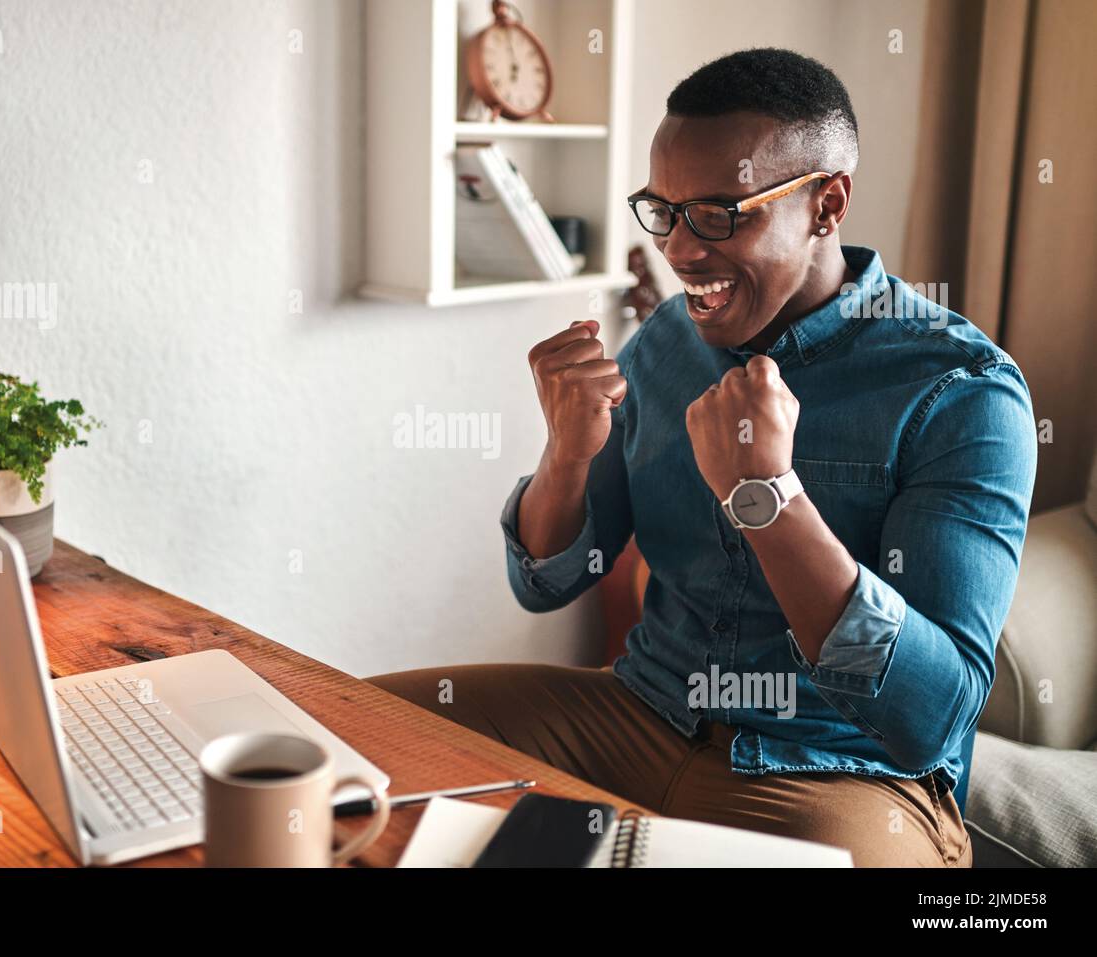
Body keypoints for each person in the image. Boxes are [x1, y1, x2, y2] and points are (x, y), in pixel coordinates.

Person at [368, 48, 1037, 867]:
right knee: (345, 733)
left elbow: (931, 714)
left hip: (841, 773)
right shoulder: (665, 344)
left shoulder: (961, 390)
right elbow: (547, 581)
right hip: (639, 713)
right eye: (665, 210)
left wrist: (769, 498)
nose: (679, 251)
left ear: (827, 204)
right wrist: (567, 457)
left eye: (722, 214)